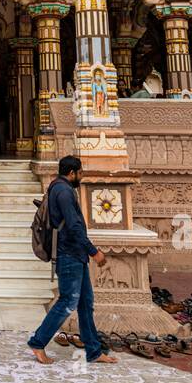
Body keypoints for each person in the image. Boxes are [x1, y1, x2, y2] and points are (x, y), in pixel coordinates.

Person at [27, 155, 116, 365]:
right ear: (72, 173)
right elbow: (74, 227)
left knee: (85, 303)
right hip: (69, 254)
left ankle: (93, 351)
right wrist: (94, 252)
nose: (81, 176)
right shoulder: (64, 191)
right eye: (80, 172)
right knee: (67, 302)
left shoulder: (59, 187)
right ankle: (38, 342)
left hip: (76, 254)